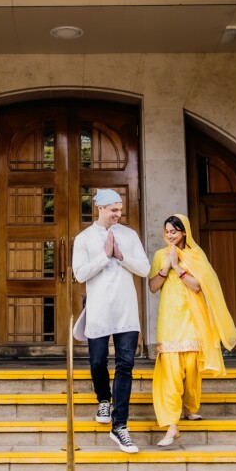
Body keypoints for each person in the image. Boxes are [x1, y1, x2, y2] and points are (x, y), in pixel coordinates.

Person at [148, 214, 236, 446]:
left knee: (191, 368)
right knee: (169, 372)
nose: (170, 235)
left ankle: (190, 407)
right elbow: (153, 287)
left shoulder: (196, 255)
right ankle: (171, 425)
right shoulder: (160, 255)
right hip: (169, 320)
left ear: (184, 232)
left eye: (174, 231)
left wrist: (177, 267)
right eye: (167, 231)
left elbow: (197, 286)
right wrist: (165, 268)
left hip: (191, 319)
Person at [72, 188, 151, 454]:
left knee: (125, 365)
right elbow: (80, 274)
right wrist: (104, 255)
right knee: (97, 362)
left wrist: (121, 256)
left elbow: (145, 269)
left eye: (120, 209)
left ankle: (120, 426)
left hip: (126, 311)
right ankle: (103, 399)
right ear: (100, 208)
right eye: (114, 209)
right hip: (98, 311)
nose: (118, 213)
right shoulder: (83, 239)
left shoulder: (130, 235)